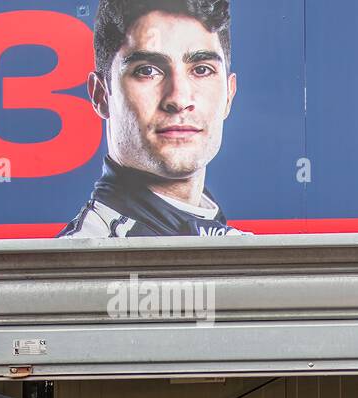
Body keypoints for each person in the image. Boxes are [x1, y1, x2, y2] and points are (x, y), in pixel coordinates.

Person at [60, 0, 245, 237]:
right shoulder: (81, 263)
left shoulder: (238, 246)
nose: (178, 98)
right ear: (101, 95)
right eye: (147, 70)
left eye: (201, 70)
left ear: (229, 95)